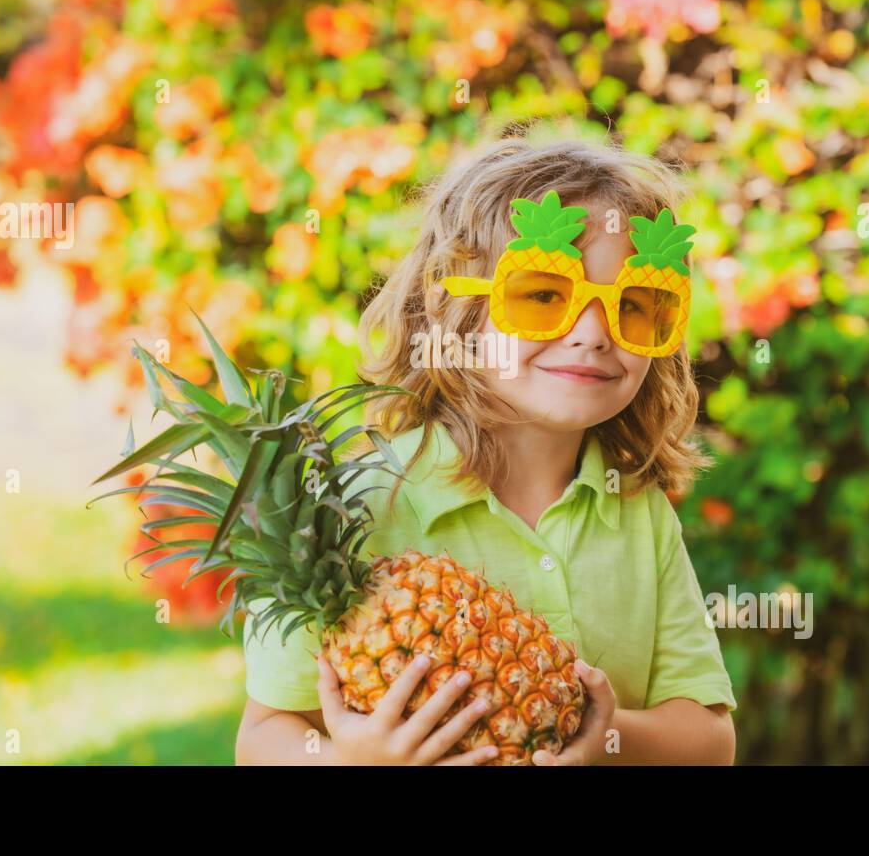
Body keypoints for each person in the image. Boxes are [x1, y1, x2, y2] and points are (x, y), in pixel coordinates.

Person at [235, 135, 736, 765]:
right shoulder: (356, 506)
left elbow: (711, 741)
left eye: (635, 306)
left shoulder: (637, 509)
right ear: (456, 308)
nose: (592, 334)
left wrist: (604, 737)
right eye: (544, 294)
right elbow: (262, 739)